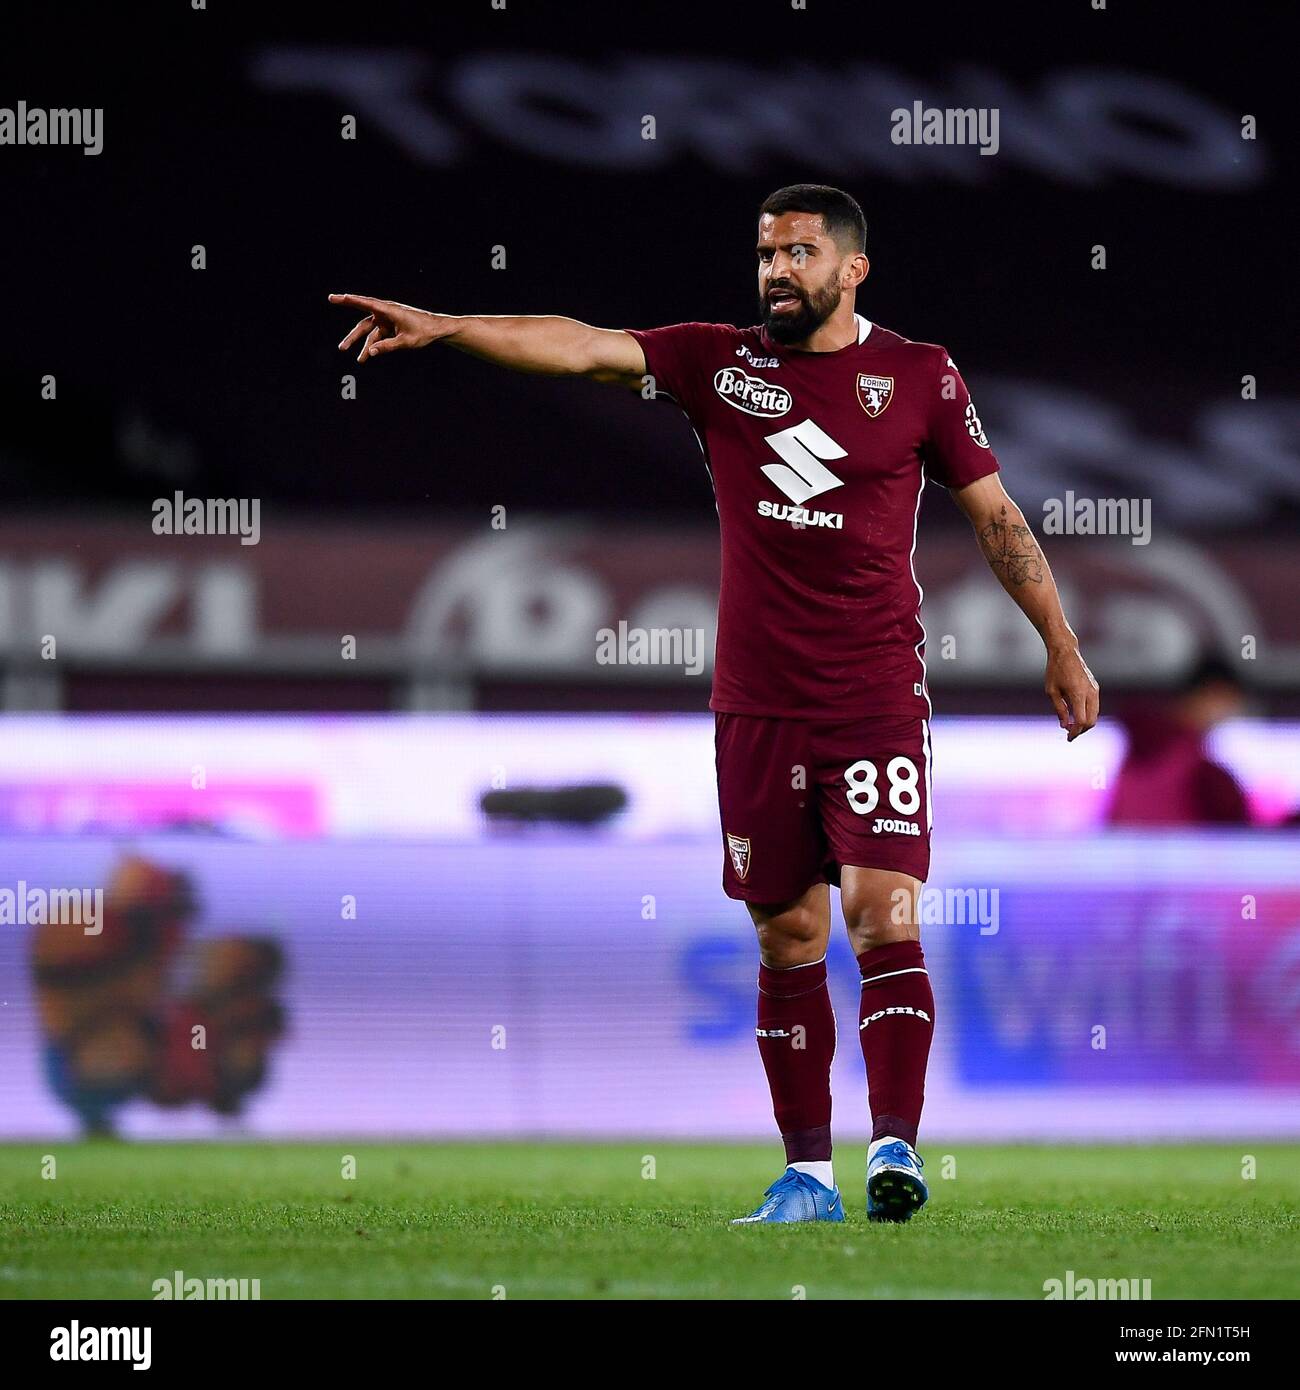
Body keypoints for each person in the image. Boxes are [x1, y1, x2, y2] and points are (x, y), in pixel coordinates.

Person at [329, 183, 1099, 1224]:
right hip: (755, 705)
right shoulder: (717, 363)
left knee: (882, 915)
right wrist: (454, 328)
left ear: (851, 268)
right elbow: (580, 345)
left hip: (873, 691)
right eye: (765, 253)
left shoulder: (918, 375)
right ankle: (806, 1177)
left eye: (798, 253)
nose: (777, 270)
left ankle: (895, 1151)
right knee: (786, 936)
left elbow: (996, 517)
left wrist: (1059, 644)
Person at [1108, 654, 1250, 827]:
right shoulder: (1199, 769)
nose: (1229, 713)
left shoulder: (1141, 745)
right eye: (1228, 702)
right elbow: (1237, 832)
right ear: (1212, 693)